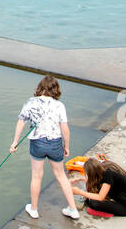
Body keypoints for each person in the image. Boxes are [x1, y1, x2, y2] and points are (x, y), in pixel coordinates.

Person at [10, 75, 81, 221]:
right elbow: (65, 129)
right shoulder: (59, 105)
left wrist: (15, 142)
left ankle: (34, 210)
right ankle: (73, 209)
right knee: (61, 176)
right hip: (55, 143)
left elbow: (20, 123)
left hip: (37, 143)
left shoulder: (30, 102)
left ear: (40, 87)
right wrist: (66, 146)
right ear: (55, 90)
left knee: (36, 176)